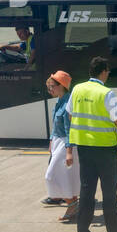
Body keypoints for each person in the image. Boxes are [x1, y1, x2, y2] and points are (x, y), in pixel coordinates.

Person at [69, 56, 117, 232]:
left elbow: (71, 112)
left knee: (86, 191)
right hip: (105, 148)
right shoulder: (107, 93)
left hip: (84, 147)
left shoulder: (77, 89)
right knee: (109, 193)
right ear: (103, 72)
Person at [44, 70, 80, 222]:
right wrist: (52, 140)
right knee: (67, 176)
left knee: (51, 176)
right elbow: (55, 125)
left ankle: (72, 204)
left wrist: (69, 151)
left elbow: (69, 129)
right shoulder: (59, 101)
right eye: (49, 87)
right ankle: (73, 205)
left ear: (62, 86)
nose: (49, 89)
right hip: (59, 142)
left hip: (67, 143)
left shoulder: (67, 104)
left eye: (52, 86)